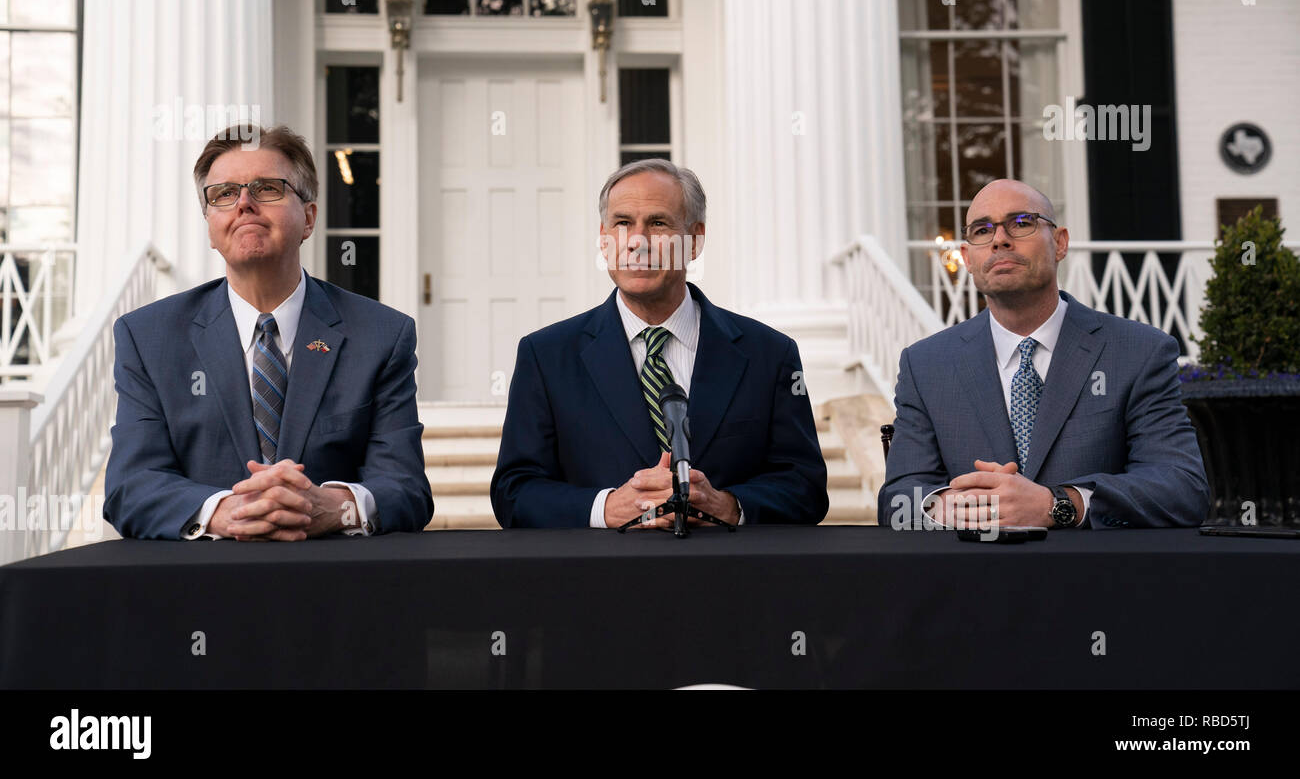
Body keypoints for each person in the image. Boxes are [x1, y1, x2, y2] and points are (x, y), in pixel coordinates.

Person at [104, 124, 433, 540]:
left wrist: (332, 508)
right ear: (210, 226)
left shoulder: (382, 336)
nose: (244, 203)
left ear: (309, 218)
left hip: (336, 584)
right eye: (224, 194)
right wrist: (225, 511)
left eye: (267, 189)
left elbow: (406, 489)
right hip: (198, 587)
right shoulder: (147, 337)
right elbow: (131, 487)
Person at [491, 159, 828, 529]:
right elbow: (514, 492)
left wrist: (729, 506)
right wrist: (604, 508)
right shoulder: (546, 356)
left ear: (695, 240)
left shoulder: (770, 354)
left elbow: (805, 487)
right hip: (597, 581)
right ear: (604, 240)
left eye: (658, 223)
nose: (637, 241)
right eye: (622, 224)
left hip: (728, 580)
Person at [879, 178, 1209, 530]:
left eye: (1021, 223)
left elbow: (1181, 489)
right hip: (972, 579)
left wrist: (1059, 504)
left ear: (1060, 243)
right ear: (967, 258)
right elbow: (897, 500)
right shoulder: (926, 365)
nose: (999, 239)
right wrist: (946, 506)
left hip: (1098, 578)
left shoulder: (1139, 352)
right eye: (981, 230)